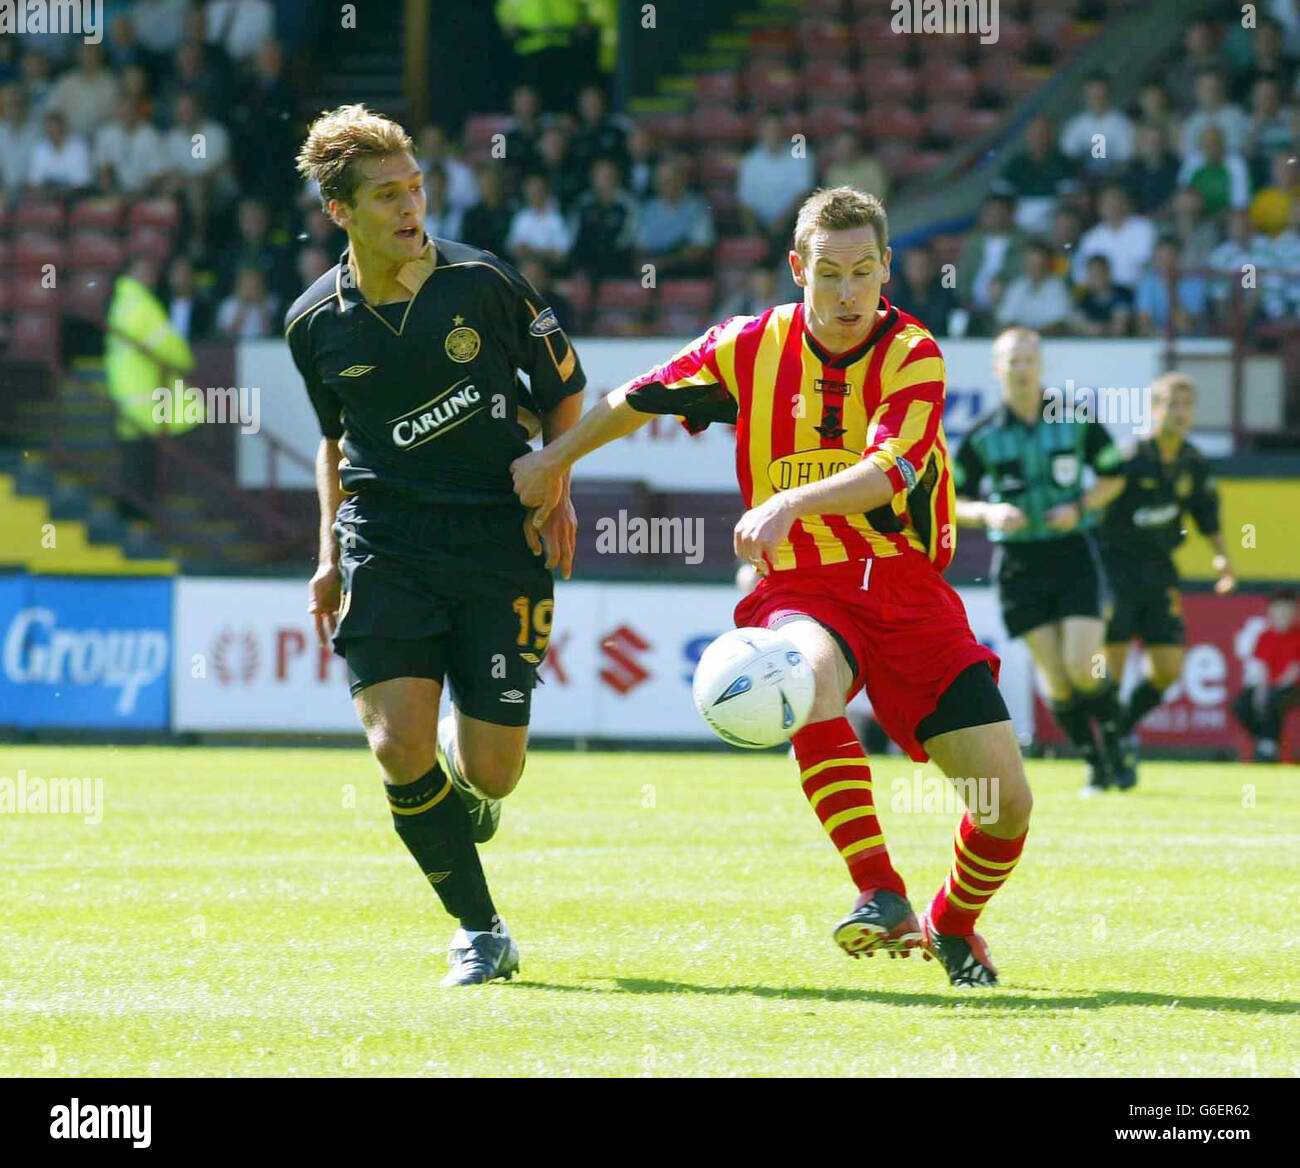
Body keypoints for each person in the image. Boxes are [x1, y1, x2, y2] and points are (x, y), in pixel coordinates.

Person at [514, 186, 1033, 988]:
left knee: (1006, 809)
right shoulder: (748, 346)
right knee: (801, 671)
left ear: (888, 269)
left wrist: (788, 500)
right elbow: (633, 399)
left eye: (865, 272)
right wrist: (557, 459)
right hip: (803, 588)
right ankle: (879, 892)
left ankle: (951, 923)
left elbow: (890, 470)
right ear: (798, 269)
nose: (849, 292)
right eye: (830, 273)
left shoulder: (914, 353)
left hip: (907, 591)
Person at [285, 104, 586, 986]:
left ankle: (468, 780)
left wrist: (556, 477)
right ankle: (480, 929)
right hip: (386, 541)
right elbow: (333, 440)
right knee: (395, 745)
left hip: (498, 538)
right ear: (340, 212)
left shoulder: (485, 282)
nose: (411, 207)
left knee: (494, 774)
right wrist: (329, 552)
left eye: (415, 187)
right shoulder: (314, 324)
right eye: (386, 195)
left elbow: (565, 393)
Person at [952, 327, 1128, 793]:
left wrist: (1080, 507)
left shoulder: (1075, 419)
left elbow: (1114, 476)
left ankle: (1115, 742)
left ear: (1042, 365)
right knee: (1057, 679)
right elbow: (950, 499)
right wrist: (987, 510)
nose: (1021, 369)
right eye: (1012, 361)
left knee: (1081, 662)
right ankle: (1096, 763)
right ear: (997, 370)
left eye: (1029, 359)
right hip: (1018, 565)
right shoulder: (982, 434)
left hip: (1072, 555)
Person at [1101, 373, 1234, 769]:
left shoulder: (1194, 462)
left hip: (1160, 572)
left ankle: (1121, 727)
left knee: (1168, 669)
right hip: (1117, 570)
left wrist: (1223, 557)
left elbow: (1206, 514)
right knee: (1112, 668)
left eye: (1187, 405)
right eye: (1172, 404)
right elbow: (1094, 508)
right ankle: (1105, 753)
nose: (1181, 413)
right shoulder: (1128, 457)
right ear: (1153, 409)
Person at [1231, 590, 1300, 761]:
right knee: (1241, 704)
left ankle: (1269, 744)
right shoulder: (1265, 637)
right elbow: (1262, 668)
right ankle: (1265, 741)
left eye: (1287, 611)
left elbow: (1293, 671)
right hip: (1271, 687)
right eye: (1278, 611)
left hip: (1293, 688)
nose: (1282, 615)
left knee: (1272, 699)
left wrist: (1270, 691)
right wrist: (1260, 692)